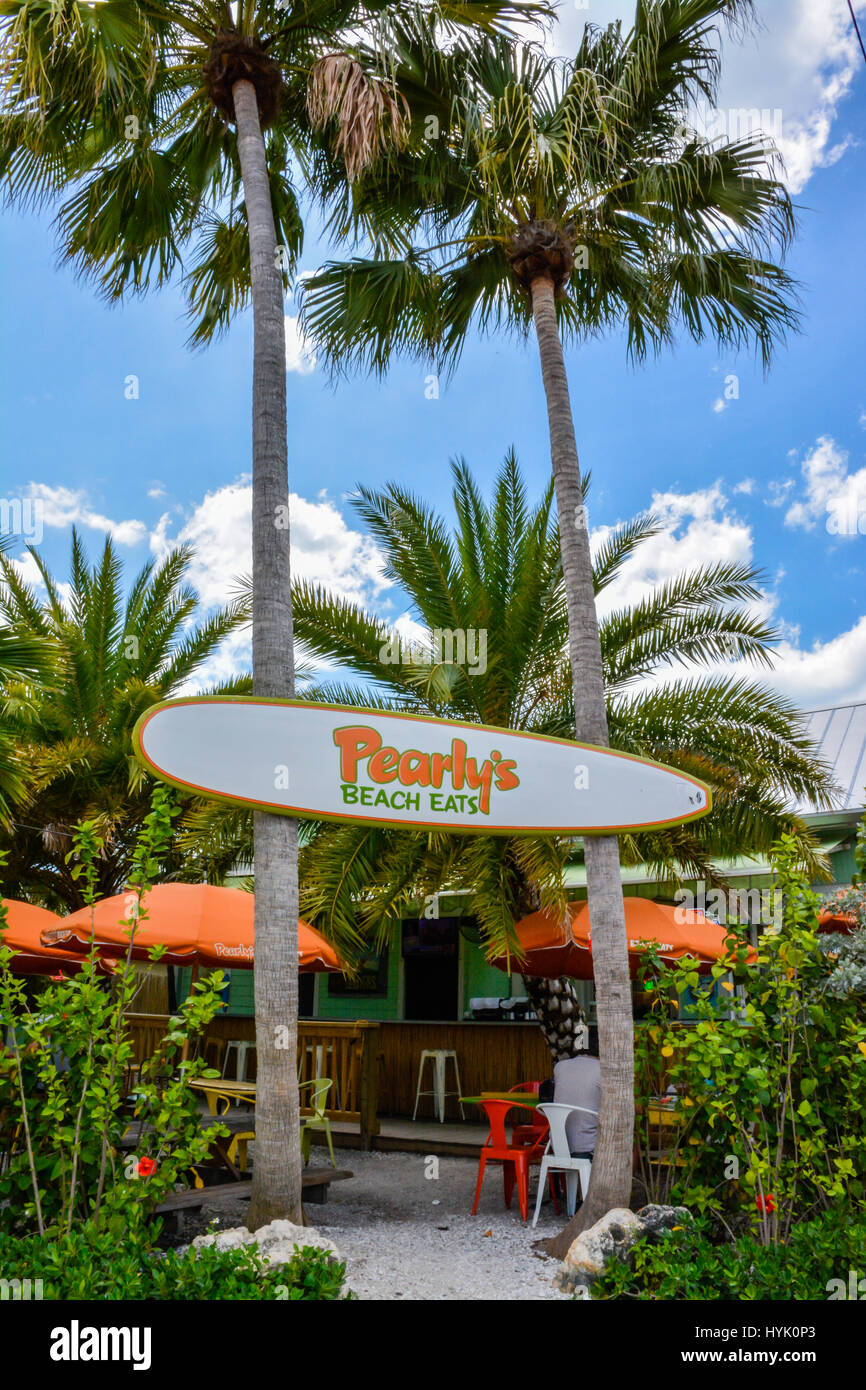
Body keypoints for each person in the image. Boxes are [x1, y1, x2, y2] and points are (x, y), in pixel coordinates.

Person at [552, 1025, 601, 1158]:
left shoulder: (560, 1067)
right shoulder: (604, 1071)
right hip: (588, 1147)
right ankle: (627, 1179)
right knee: (630, 1141)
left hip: (557, 1146)